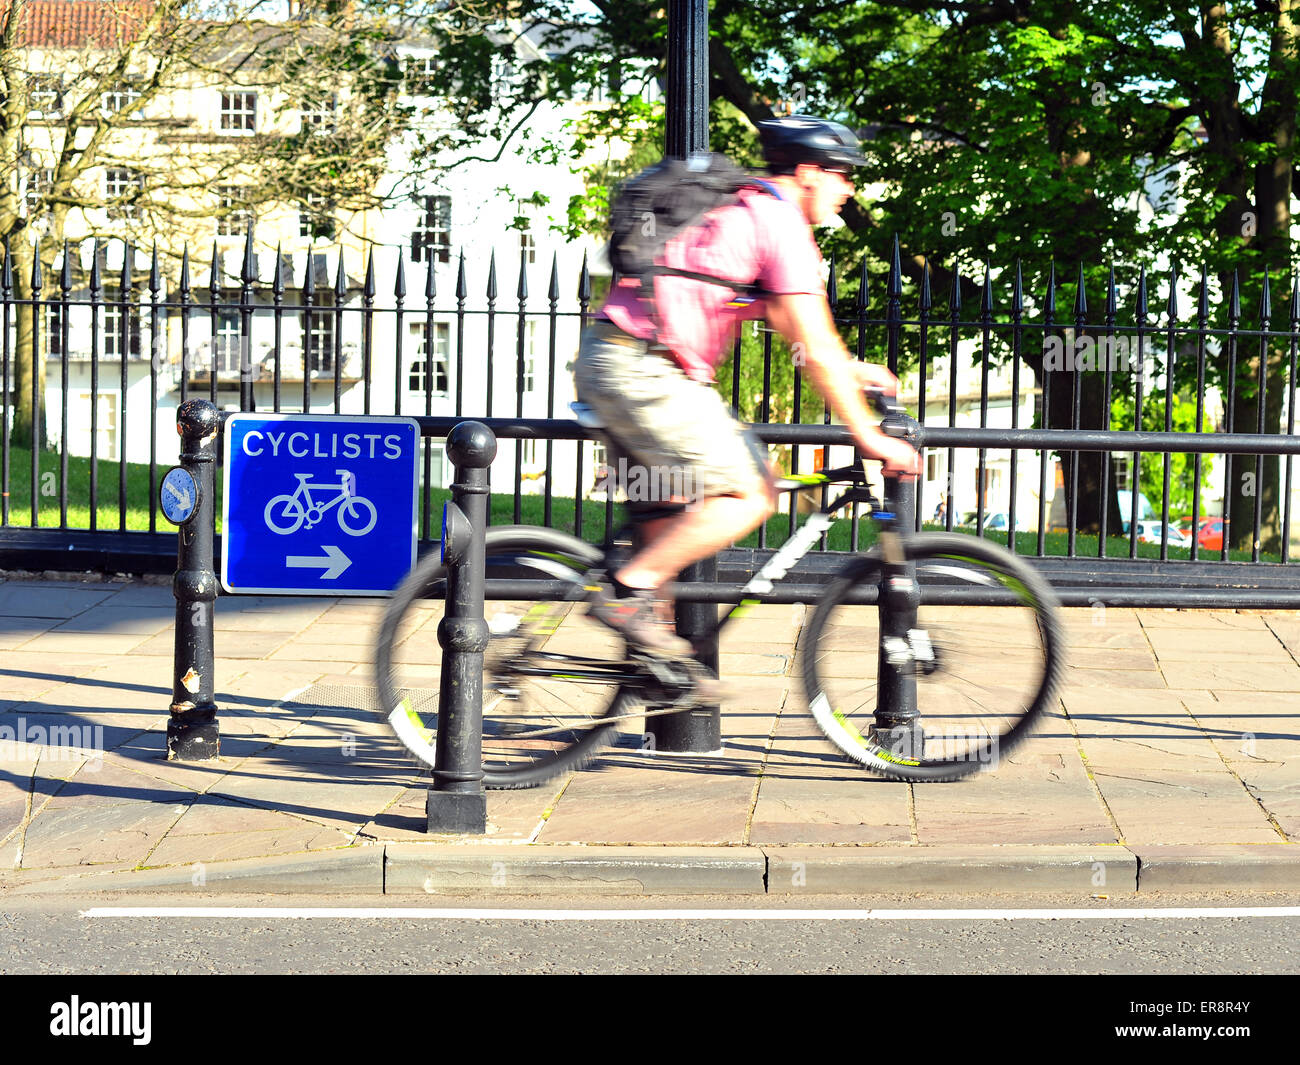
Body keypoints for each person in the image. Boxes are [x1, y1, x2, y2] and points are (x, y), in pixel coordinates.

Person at [574, 114, 920, 656]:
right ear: (807, 172)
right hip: (642, 368)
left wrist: (848, 369)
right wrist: (870, 437)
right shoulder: (778, 223)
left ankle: (651, 675)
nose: (848, 190)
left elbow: (797, 334)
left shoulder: (744, 208)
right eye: (841, 174)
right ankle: (623, 595)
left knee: (667, 521)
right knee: (753, 492)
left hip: (617, 358)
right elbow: (814, 341)